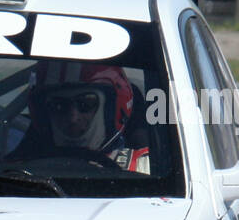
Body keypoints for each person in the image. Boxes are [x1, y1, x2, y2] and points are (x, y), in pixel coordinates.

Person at [15, 61, 150, 172]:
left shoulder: (145, 169)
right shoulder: (13, 175)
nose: (73, 118)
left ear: (110, 109)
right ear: (44, 114)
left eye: (86, 104)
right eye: (59, 106)